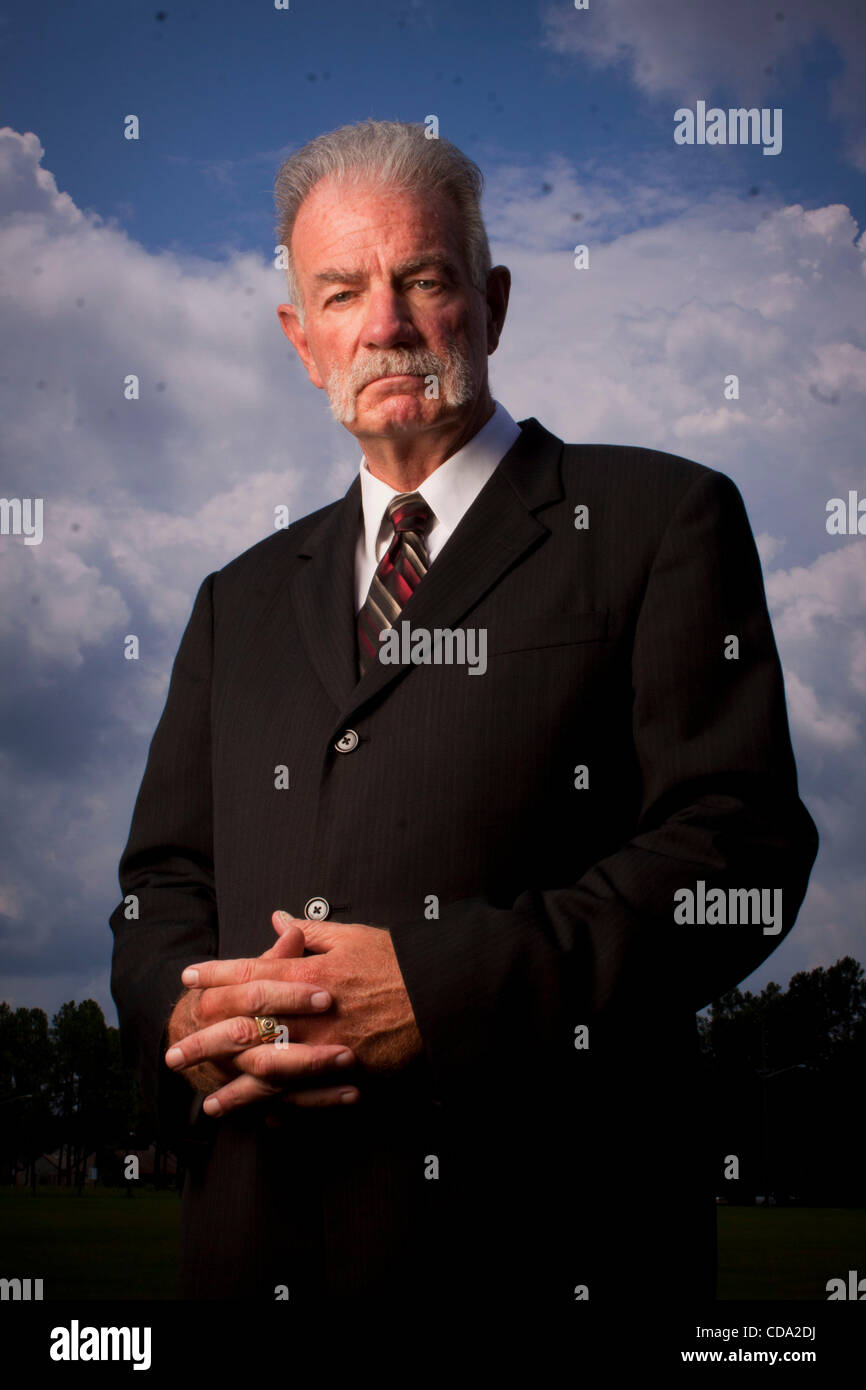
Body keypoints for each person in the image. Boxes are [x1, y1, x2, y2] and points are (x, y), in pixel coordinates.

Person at [109, 118, 819, 1307]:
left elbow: (734, 849)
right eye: (339, 293)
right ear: (300, 338)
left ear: (488, 299)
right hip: (254, 1252)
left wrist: (439, 991)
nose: (381, 324)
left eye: (420, 279)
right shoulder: (234, 600)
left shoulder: (659, 519)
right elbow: (161, 883)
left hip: (542, 1258)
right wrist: (207, 1020)